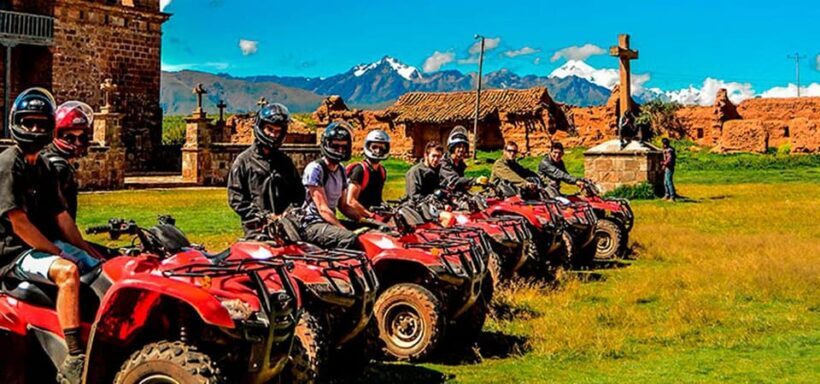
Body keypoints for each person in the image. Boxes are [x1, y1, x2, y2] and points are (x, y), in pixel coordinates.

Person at [0, 88, 103, 384]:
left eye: (41, 124)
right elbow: (18, 223)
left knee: (101, 269)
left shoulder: (43, 166)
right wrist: (56, 253)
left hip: (37, 245)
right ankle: (74, 356)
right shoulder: (9, 164)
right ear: (16, 123)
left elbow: (61, 216)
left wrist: (88, 250)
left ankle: (101, 331)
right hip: (12, 252)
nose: (35, 129)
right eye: (29, 123)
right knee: (68, 272)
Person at [227, 103, 305, 239]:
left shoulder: (285, 162)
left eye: (278, 131)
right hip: (257, 229)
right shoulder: (244, 161)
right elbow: (236, 198)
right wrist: (263, 216)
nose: (273, 135)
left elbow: (298, 193)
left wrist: (289, 213)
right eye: (270, 129)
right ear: (261, 128)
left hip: (287, 227)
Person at [301, 122, 370, 250]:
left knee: (370, 234)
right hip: (312, 224)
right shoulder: (316, 169)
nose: (340, 150)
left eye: (344, 147)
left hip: (329, 222)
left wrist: (366, 220)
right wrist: (344, 230)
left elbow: (343, 206)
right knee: (349, 238)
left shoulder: (341, 170)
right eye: (335, 146)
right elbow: (323, 209)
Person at [42, 101, 95, 220]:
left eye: (82, 137)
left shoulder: (48, 158)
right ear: (56, 135)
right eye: (69, 138)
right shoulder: (58, 167)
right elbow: (58, 216)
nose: (77, 143)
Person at [346, 129, 390, 211]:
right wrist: (370, 215)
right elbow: (351, 201)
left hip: (376, 215)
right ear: (367, 147)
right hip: (360, 217)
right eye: (374, 147)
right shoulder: (359, 170)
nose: (378, 151)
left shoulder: (382, 171)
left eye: (381, 148)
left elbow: (376, 198)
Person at [439, 125, 478, 191]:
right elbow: (454, 180)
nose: (461, 149)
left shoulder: (460, 164)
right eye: (459, 146)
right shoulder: (444, 163)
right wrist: (475, 180)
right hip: (442, 195)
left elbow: (460, 183)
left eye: (464, 147)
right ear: (452, 148)